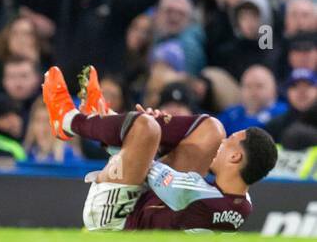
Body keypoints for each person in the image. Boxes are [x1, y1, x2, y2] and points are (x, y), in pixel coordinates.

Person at [42, 64, 277, 231]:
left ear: (235, 157)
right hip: (147, 207)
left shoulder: (196, 193)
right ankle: (104, 118)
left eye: (229, 141)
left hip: (117, 224)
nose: (223, 142)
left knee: (145, 128)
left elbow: (141, 160)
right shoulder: (242, 203)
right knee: (211, 129)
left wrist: (136, 133)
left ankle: (68, 120)